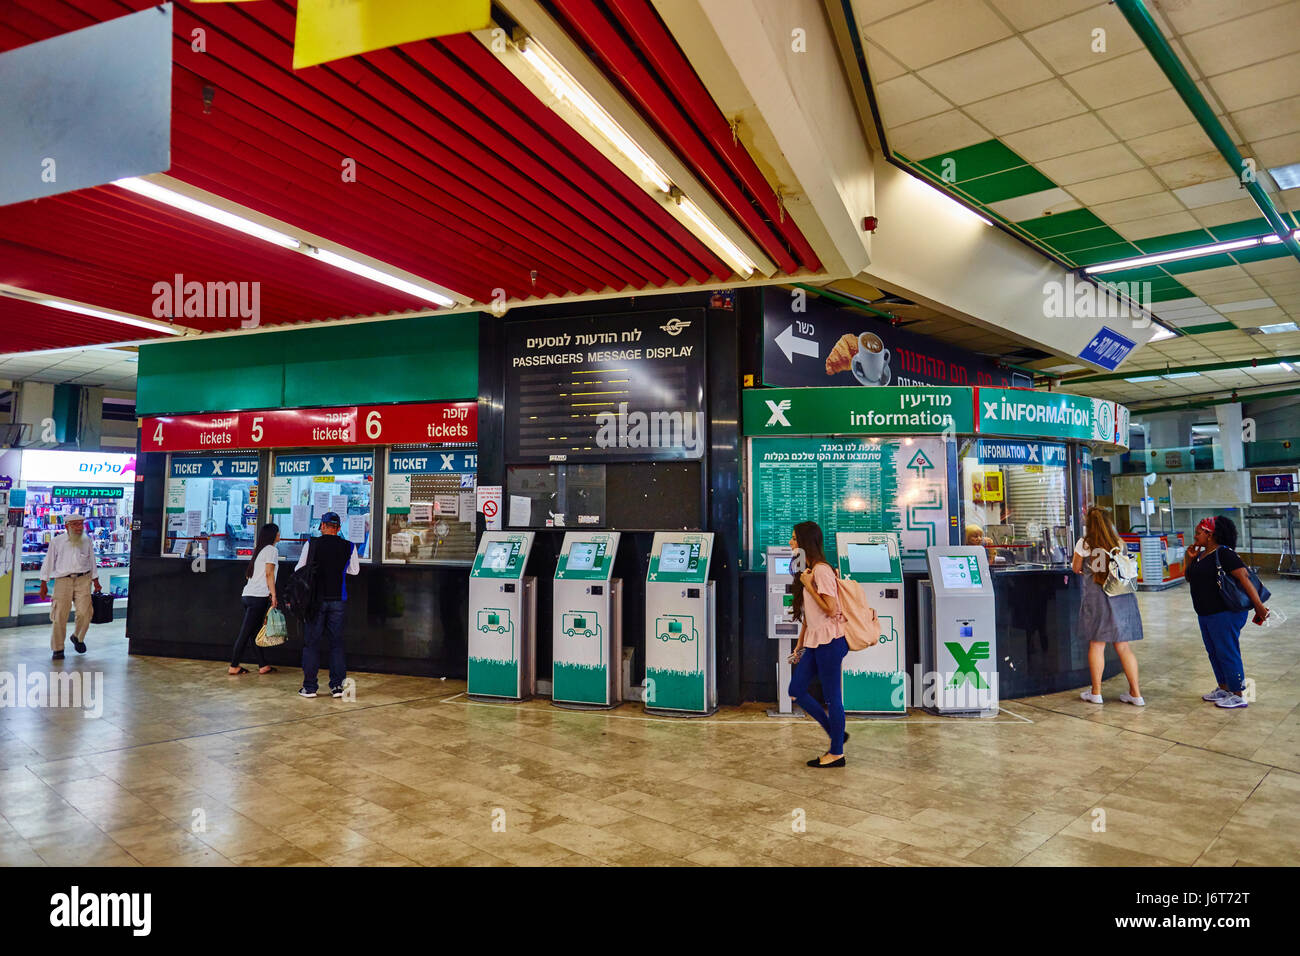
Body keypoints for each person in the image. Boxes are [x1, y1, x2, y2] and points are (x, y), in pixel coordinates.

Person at [1184, 516, 1269, 709]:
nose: (1195, 536)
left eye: (1198, 532)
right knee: (1214, 652)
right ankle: (1223, 688)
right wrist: (1188, 560)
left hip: (1225, 613)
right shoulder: (1202, 554)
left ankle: (1238, 694)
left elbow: (1245, 579)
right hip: (1206, 613)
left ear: (1210, 534)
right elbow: (1190, 578)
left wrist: (1259, 606)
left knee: (1227, 652)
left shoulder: (1224, 554)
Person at [786, 520, 850, 768]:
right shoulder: (810, 570)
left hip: (830, 642)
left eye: (794, 538)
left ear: (804, 543)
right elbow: (809, 616)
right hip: (815, 642)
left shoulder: (821, 571)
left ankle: (836, 753)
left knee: (833, 697)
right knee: (796, 689)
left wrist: (809, 587)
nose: (790, 542)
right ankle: (836, 732)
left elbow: (831, 609)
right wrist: (800, 646)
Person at [1072, 507, 1144, 706]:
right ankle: (1136, 694)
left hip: (1098, 599)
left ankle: (1096, 692)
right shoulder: (1119, 543)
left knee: (1097, 644)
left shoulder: (1085, 544)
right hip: (1121, 598)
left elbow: (1076, 568)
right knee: (1123, 646)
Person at [295, 511, 359, 699]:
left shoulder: (312, 544)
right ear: (338, 528)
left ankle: (310, 687)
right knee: (336, 644)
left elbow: (299, 568)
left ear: (322, 526)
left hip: (315, 600)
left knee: (311, 644)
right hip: (338, 599)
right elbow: (354, 571)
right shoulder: (349, 546)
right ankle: (338, 687)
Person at [38, 514, 102, 660]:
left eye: (81, 524)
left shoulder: (86, 541)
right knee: (60, 615)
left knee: (86, 613)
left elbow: (92, 561)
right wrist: (44, 583)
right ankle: (58, 648)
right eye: (76, 525)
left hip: (83, 579)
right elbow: (48, 562)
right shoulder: (57, 542)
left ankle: (77, 637)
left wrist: (96, 581)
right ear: (67, 526)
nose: (80, 528)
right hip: (62, 581)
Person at [228, 522, 281, 676]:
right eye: (277, 532)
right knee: (245, 633)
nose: (279, 535)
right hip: (259, 597)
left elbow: (249, 574)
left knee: (253, 632)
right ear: (272, 535)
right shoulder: (271, 550)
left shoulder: (259, 550)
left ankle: (263, 665)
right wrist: (274, 595)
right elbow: (269, 573)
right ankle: (234, 665)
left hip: (248, 595)